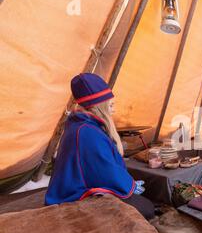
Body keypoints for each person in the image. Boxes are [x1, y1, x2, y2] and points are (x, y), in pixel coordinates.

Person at [45, 73, 154, 219]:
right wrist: (130, 185)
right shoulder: (87, 132)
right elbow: (105, 172)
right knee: (148, 208)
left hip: (71, 185)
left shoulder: (80, 124)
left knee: (144, 202)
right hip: (74, 194)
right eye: (111, 105)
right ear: (99, 107)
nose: (113, 110)